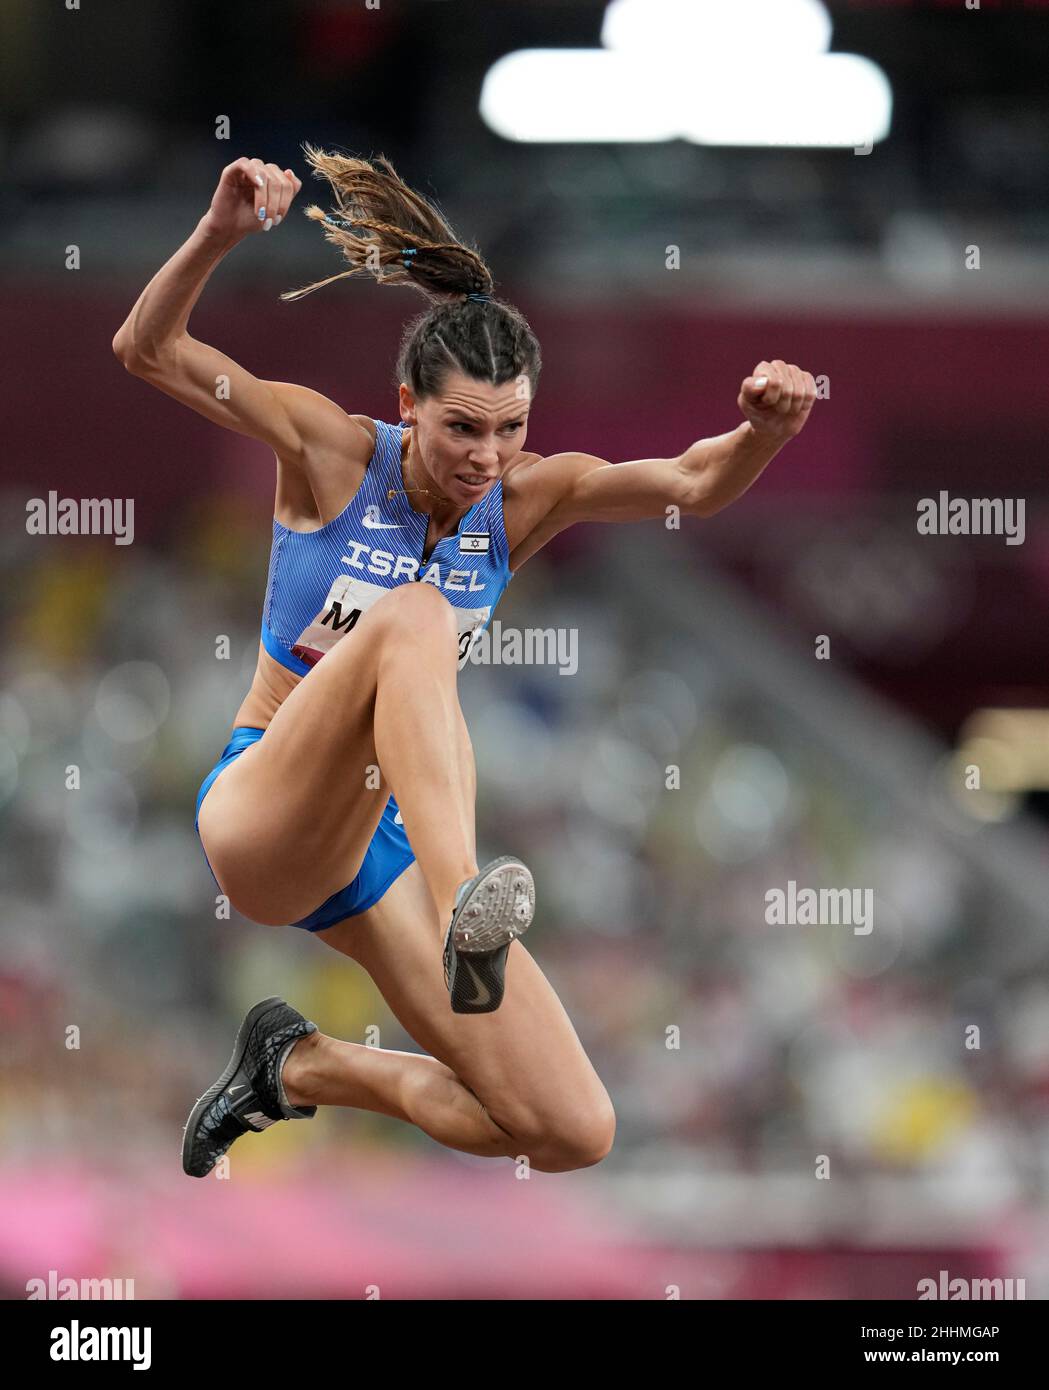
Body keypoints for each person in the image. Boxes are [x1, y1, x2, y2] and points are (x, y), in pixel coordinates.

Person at [112, 147, 817, 1179]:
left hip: (375, 850)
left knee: (566, 1128)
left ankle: (295, 1066)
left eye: (510, 429)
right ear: (406, 402)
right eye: (460, 429)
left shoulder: (525, 498)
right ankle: (464, 908)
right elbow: (147, 348)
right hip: (264, 807)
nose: (486, 457)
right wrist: (219, 234)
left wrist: (763, 430)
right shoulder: (327, 453)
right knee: (412, 617)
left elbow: (695, 483)